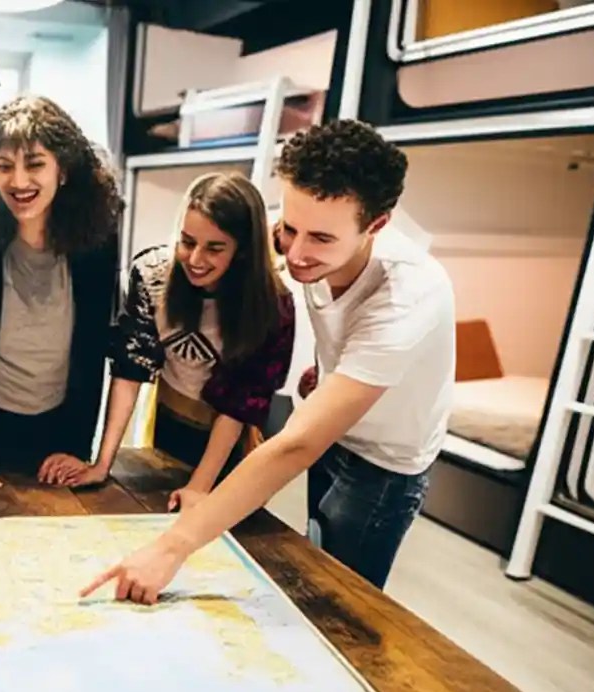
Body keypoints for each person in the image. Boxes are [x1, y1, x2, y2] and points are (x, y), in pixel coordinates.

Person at [82, 119, 454, 603]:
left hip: (384, 461)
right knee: (314, 551)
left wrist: (173, 546)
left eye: (320, 239)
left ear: (376, 226)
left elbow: (296, 444)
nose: (295, 254)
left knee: (341, 597)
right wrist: (334, 372)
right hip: (334, 426)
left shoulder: (407, 296)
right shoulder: (303, 240)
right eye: (289, 228)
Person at [43, 173, 295, 509]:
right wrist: (102, 464)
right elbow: (130, 370)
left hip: (232, 441)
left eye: (215, 248)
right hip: (169, 418)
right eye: (187, 242)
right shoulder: (152, 274)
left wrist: (200, 486)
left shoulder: (273, 306)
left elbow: (236, 406)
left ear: (243, 251)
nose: (195, 259)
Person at [0, 95, 122, 487]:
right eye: (4, 167)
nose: (18, 181)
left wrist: (80, 446)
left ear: (63, 170)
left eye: (35, 164)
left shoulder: (98, 239)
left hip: (60, 431)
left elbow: (92, 345)